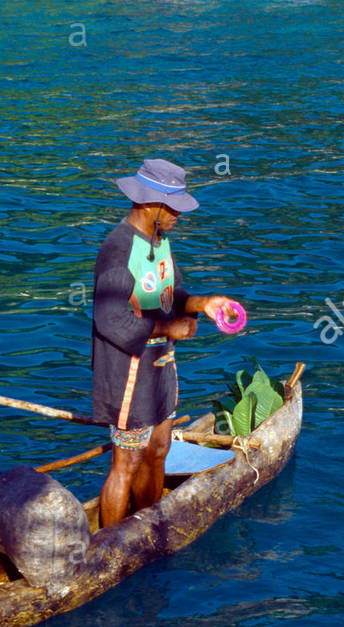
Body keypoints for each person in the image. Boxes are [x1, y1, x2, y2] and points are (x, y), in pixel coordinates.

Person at [91, 158, 241, 527]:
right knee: (126, 463)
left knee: (159, 450)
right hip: (128, 373)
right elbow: (110, 320)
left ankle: (150, 522)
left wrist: (202, 304)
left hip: (160, 370)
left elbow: (170, 295)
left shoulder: (160, 242)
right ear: (151, 203)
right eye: (173, 207)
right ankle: (112, 544)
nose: (178, 215)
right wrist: (166, 329)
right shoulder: (118, 249)